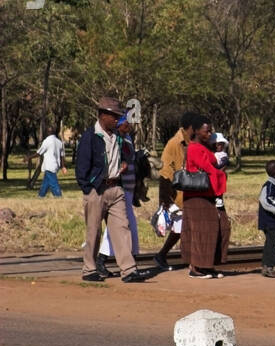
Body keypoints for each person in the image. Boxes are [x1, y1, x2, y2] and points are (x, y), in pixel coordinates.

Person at [75, 96, 147, 284]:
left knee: (122, 229)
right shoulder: (90, 137)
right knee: (94, 231)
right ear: (102, 115)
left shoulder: (118, 137)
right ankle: (89, 269)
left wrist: (122, 168)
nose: (117, 119)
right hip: (97, 190)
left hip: (116, 189)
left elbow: (125, 157)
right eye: (113, 115)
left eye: (118, 116)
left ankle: (128, 270)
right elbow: (81, 168)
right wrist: (90, 188)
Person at [179, 117, 226, 278]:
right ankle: (196, 267)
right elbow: (208, 167)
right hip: (196, 196)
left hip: (206, 194)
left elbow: (212, 162)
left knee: (210, 230)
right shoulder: (194, 148)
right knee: (200, 231)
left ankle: (206, 265)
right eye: (207, 130)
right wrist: (220, 170)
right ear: (197, 131)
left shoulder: (203, 147)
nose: (210, 133)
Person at [153, 111, 197, 272]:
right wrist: (165, 198)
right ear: (191, 127)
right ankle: (164, 255)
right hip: (178, 194)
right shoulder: (174, 143)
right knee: (181, 227)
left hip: (189, 191)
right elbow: (165, 171)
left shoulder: (191, 141)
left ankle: (165, 255)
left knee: (184, 227)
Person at [97, 113, 139, 276]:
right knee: (120, 226)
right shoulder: (116, 140)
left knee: (127, 226)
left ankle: (129, 261)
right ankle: (103, 260)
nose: (128, 125)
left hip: (129, 187)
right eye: (125, 123)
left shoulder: (127, 138)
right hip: (120, 187)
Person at [211, 133, 232, 265]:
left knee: (222, 221)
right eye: (218, 144)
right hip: (213, 193)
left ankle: (220, 257)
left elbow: (219, 167)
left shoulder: (223, 156)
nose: (220, 146)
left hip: (217, 194)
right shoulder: (210, 154)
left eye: (222, 144)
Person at [37, 128, 67, 198]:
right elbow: (62, 155)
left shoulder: (47, 141)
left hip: (49, 165)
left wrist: (29, 157)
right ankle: (41, 196)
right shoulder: (59, 142)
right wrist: (63, 166)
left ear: (47, 133)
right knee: (46, 182)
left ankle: (58, 196)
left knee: (53, 183)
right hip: (55, 165)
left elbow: (39, 153)